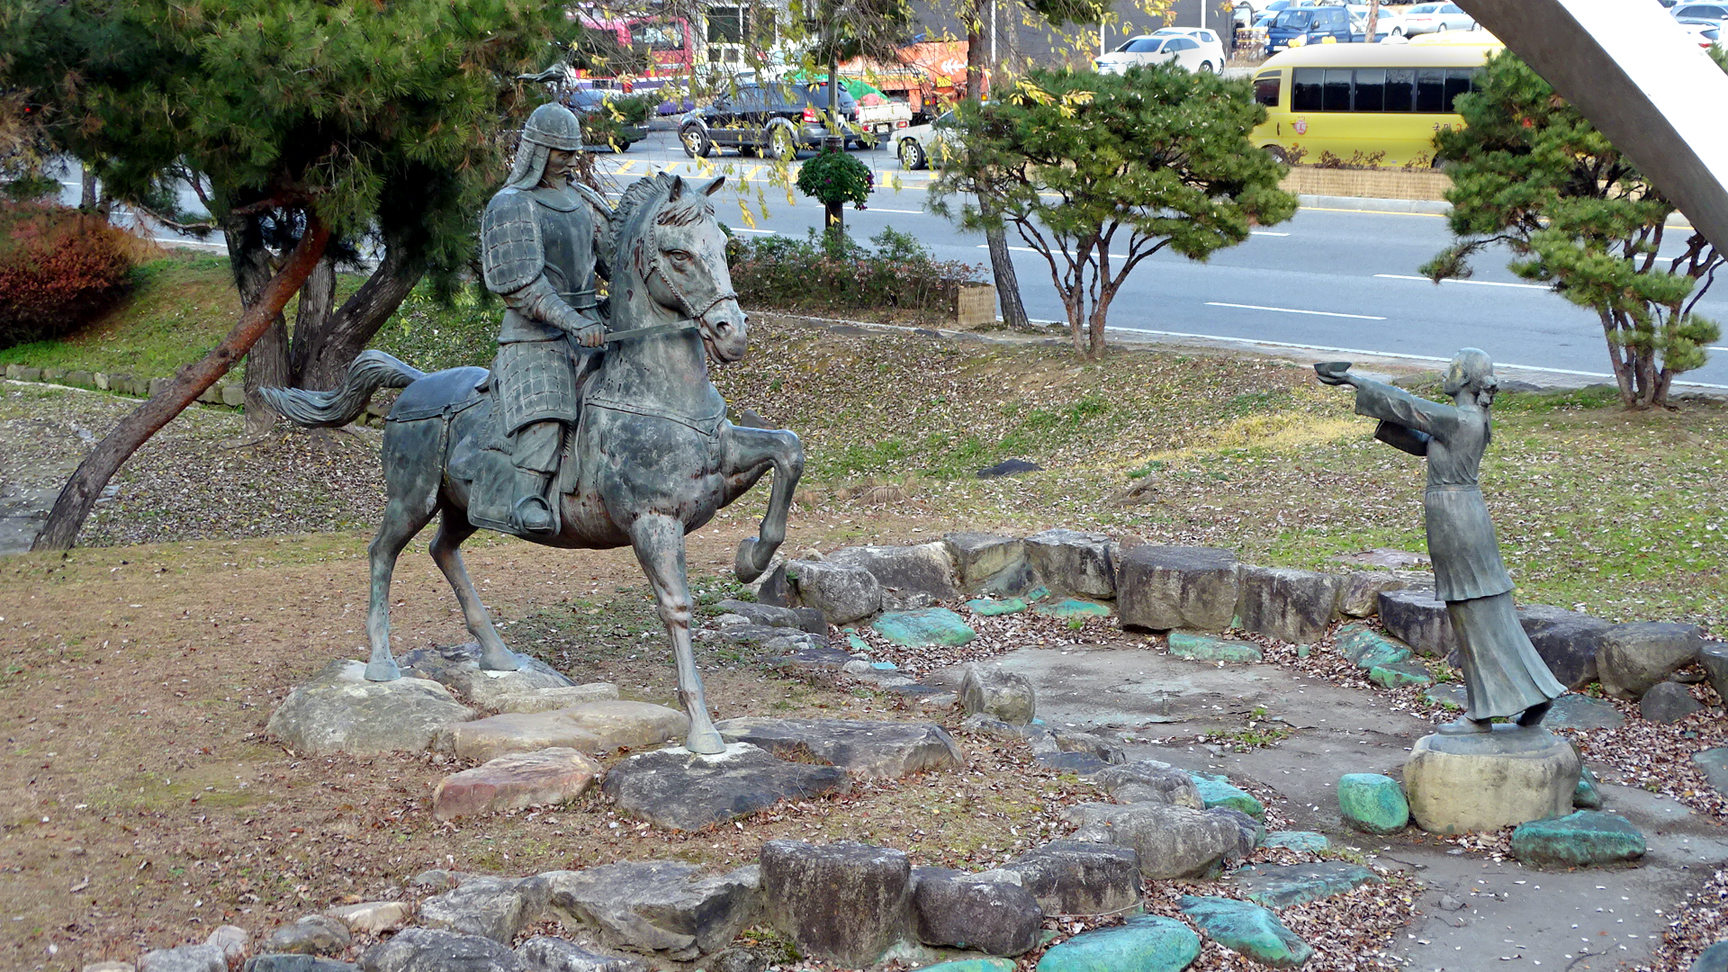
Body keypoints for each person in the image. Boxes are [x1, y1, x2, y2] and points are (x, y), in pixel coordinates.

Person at [1316, 351, 1565, 733]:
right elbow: (1421, 441)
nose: (1445, 373)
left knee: (1471, 614)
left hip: (1456, 520)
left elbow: (1409, 406)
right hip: (1462, 517)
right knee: (1487, 611)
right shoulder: (1469, 420)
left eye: (1452, 369)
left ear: (1465, 381)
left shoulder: (1460, 419)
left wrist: (1355, 381)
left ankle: (1481, 713)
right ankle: (1535, 691)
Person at [480, 102, 604, 534]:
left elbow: (612, 259)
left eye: (574, 152)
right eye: (560, 152)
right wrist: (573, 323)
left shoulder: (582, 200)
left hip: (592, 325)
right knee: (548, 408)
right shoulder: (511, 204)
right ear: (537, 151)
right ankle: (527, 496)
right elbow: (522, 286)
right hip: (535, 337)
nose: (571, 160)